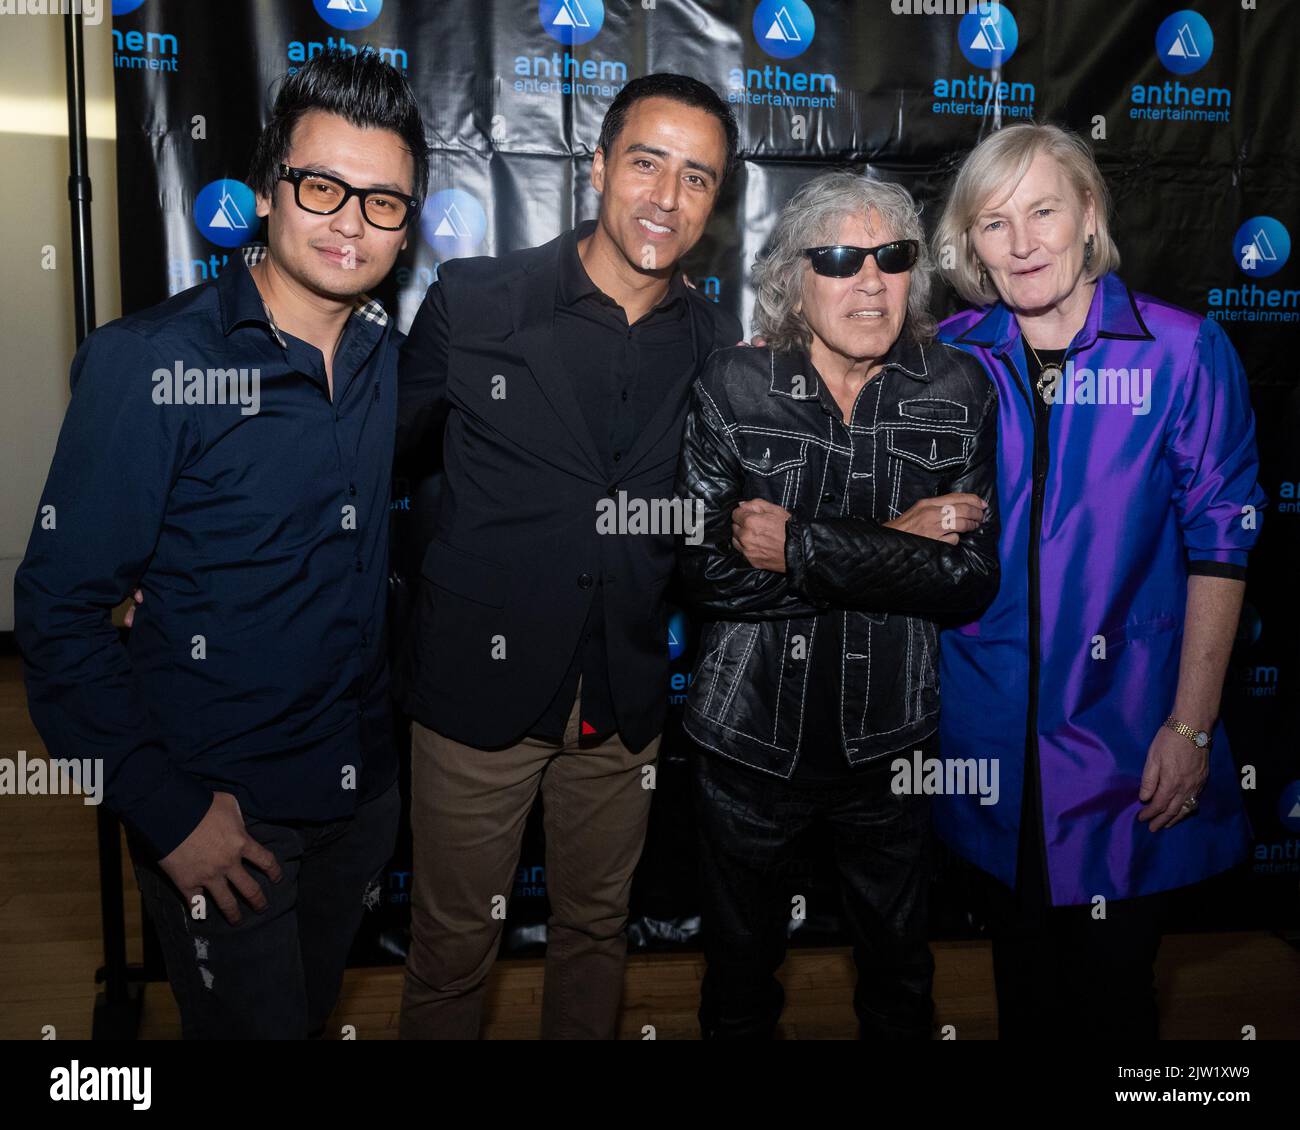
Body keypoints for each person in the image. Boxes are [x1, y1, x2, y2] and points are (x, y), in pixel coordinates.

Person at [14, 49, 427, 1039]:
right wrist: (166, 811)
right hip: (221, 816)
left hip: (358, 800)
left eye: (383, 202)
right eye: (323, 186)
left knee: (309, 1008)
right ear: (268, 188)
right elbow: (58, 612)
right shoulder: (151, 363)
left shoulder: (392, 368)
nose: (349, 222)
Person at [395, 73, 743, 1040]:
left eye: (698, 178)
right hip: (475, 690)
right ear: (596, 167)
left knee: (596, 934)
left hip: (624, 702)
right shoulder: (476, 302)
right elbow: (364, 452)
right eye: (646, 163)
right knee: (453, 947)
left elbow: (745, 505)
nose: (666, 199)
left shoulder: (720, 348)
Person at [931, 122, 1266, 1039]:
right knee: (1023, 992)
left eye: (1043, 210)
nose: (1024, 241)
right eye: (995, 223)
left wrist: (1191, 725)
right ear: (971, 244)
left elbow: (1222, 546)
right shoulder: (949, 357)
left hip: (1127, 743)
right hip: (986, 744)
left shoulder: (1182, 353)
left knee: (1115, 1001)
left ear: (1089, 215)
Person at [673, 171, 1000, 1039]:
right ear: (793, 276)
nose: (869, 280)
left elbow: (968, 581)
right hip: (744, 743)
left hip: (892, 745)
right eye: (839, 257)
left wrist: (806, 546)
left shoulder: (958, 389)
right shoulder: (735, 384)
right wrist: (896, 537)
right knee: (739, 979)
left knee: (900, 977)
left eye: (892, 257)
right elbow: (698, 573)